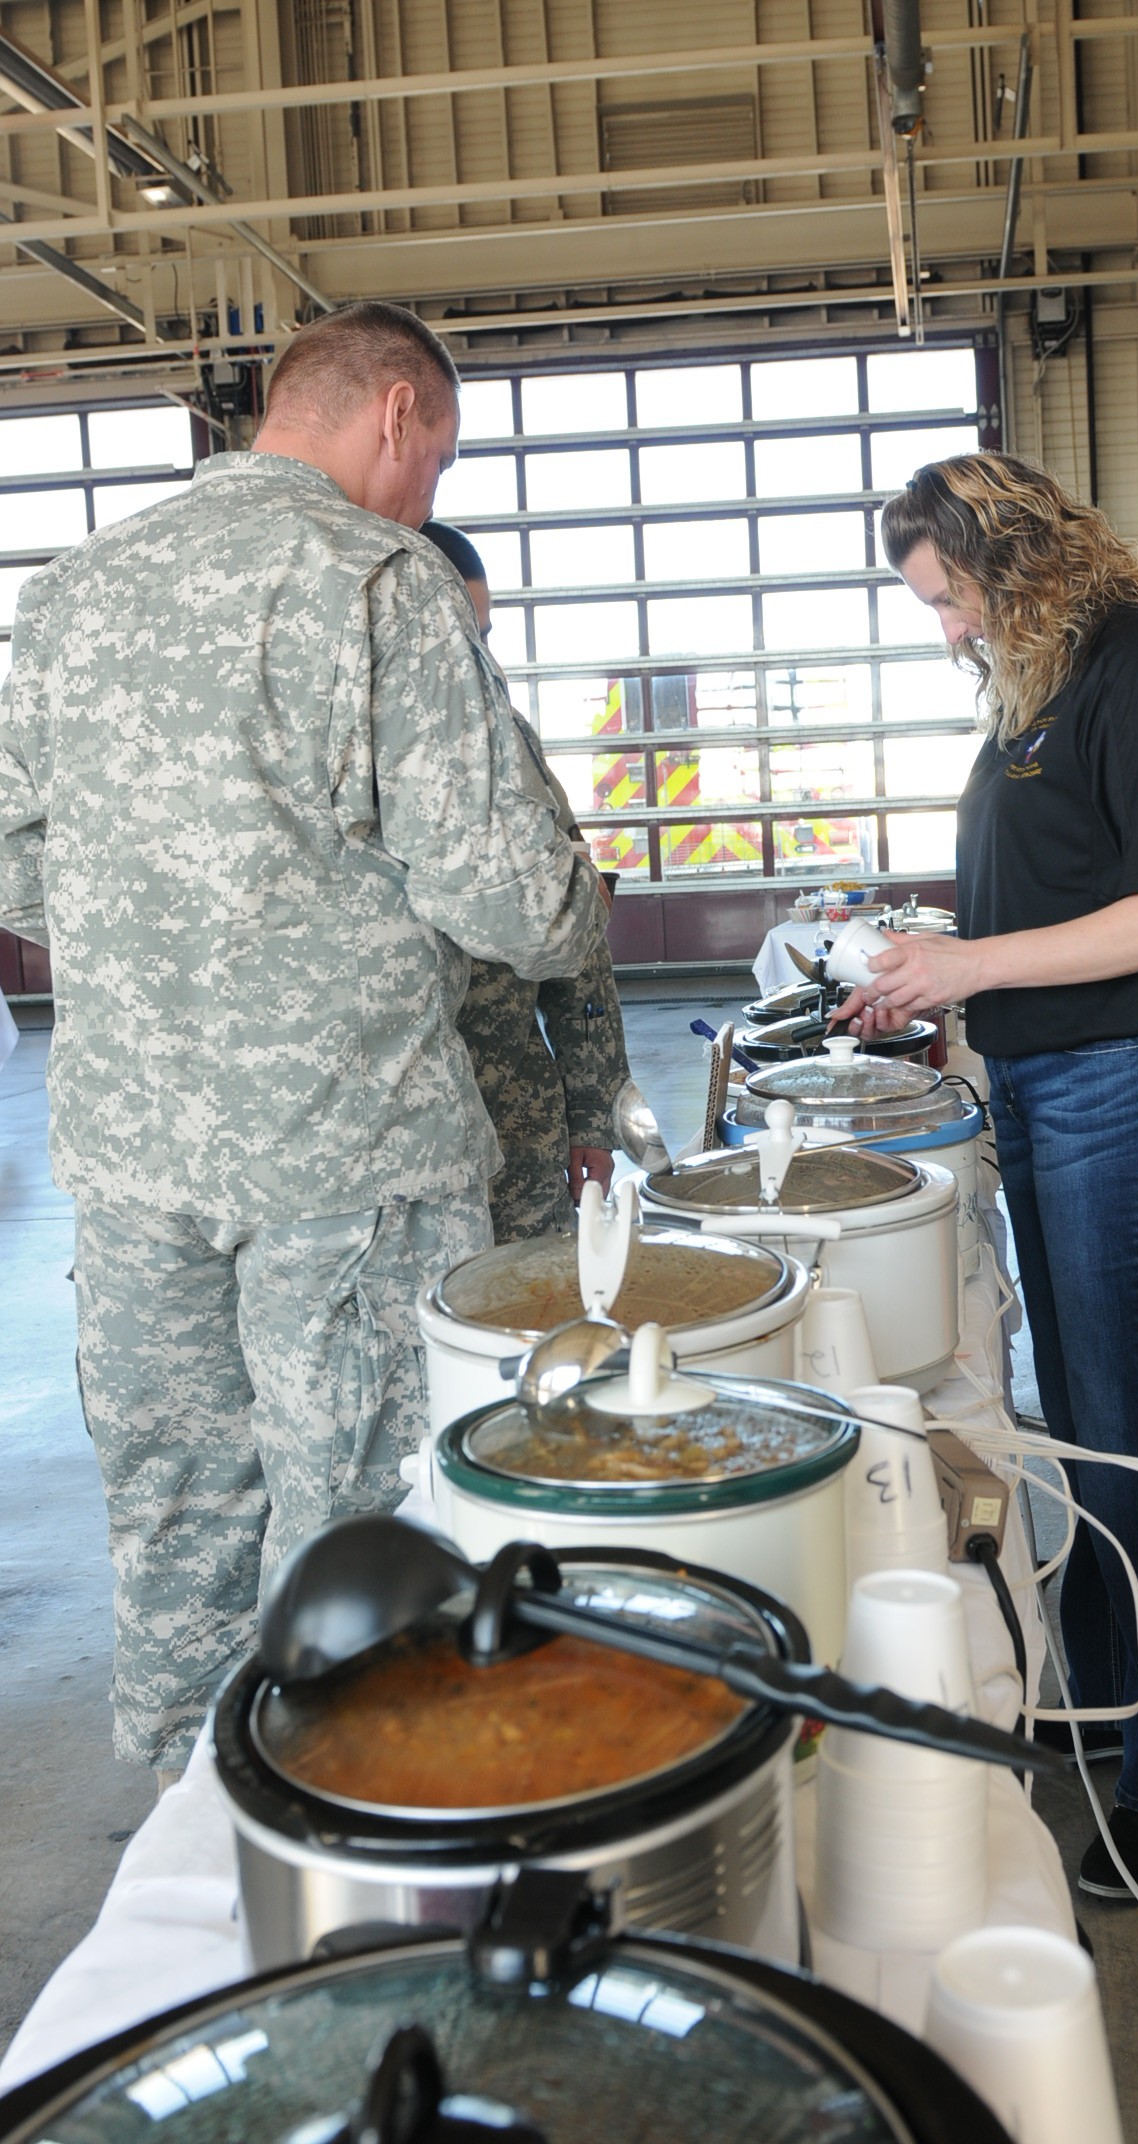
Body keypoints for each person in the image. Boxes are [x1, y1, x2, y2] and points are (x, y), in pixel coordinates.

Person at [0, 301, 605, 1783]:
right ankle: (352, 1872)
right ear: (396, 411)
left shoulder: (77, 591)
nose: (429, 498)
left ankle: (192, 1879)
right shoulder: (373, 581)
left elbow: (16, 863)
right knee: (367, 1530)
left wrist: (173, 942)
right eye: (439, 460)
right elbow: (515, 902)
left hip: (135, 1165)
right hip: (351, 1155)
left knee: (176, 1523)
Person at [833, 451, 1138, 1901]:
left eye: (948, 597)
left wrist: (974, 962)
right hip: (1055, 1073)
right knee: (1077, 1413)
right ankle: (1119, 1685)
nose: (944, 628)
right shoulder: (1040, 687)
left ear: (1013, 559)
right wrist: (933, 975)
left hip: (1133, 1079)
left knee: (1133, 1418)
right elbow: (1061, 894)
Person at [420, 520, 631, 1239]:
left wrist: (594, 1114)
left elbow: (581, 940)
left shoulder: (502, 743)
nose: (478, 661)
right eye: (461, 636)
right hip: (391, 1163)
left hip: (517, 1138)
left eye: (486, 635)